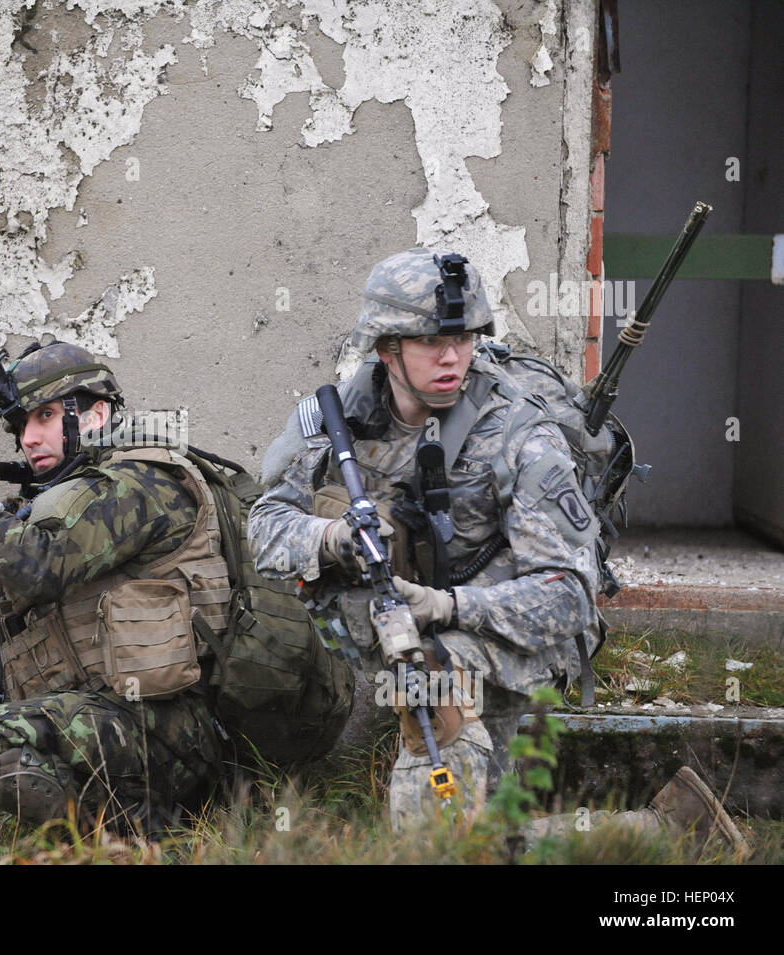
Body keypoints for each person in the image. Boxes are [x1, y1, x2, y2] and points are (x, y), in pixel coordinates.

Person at [247, 248, 746, 856]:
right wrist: (332, 537)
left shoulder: (519, 435)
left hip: (520, 635)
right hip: (410, 641)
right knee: (481, 839)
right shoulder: (340, 420)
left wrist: (447, 606)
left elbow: (567, 597)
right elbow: (266, 526)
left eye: (462, 337)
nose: (453, 355)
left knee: (435, 732)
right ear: (386, 348)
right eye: (431, 341)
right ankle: (668, 833)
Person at [0, 341, 224, 833]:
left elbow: (40, 564)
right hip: (102, 723)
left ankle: (129, 836)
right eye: (21, 426)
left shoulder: (139, 483)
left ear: (94, 415)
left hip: (170, 732)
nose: (29, 438)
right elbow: (3, 572)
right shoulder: (71, 497)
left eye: (44, 416)